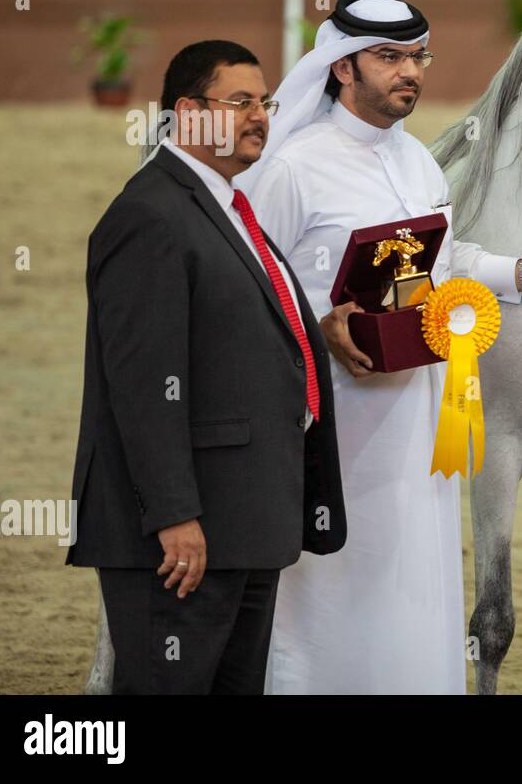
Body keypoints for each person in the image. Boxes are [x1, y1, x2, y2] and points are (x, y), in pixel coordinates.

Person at [239, 0, 522, 694]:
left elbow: (443, 264)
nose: (409, 72)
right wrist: (317, 329)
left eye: (417, 57)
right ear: (342, 67)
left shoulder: (417, 163)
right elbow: (248, 280)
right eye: (389, 58)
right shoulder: (295, 167)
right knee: (327, 590)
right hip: (327, 426)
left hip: (418, 426)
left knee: (413, 585)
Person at [66, 40, 345, 694]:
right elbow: (142, 384)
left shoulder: (225, 205)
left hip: (241, 525)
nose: (260, 117)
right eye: (240, 102)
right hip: (185, 538)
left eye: (265, 102)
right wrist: (173, 516)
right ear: (189, 113)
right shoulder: (151, 215)